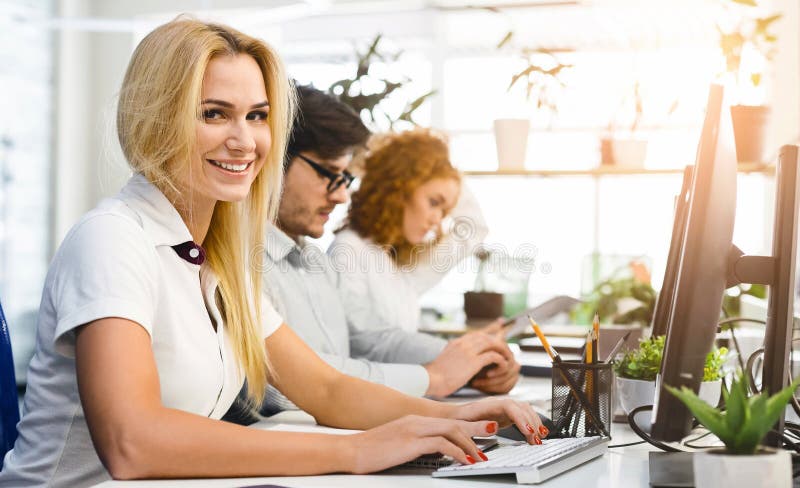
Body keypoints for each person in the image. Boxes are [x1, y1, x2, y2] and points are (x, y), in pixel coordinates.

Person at [0, 18, 546, 487]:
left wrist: (454, 414)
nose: (245, 141)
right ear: (157, 119)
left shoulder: (217, 258)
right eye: (214, 113)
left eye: (257, 116)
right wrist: (357, 450)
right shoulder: (112, 239)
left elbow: (324, 388)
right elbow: (132, 441)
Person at [259, 85, 519, 410]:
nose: (341, 196)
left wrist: (468, 359)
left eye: (346, 179)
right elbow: (300, 389)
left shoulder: (315, 260)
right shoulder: (326, 255)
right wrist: (434, 377)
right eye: (330, 174)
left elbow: (372, 339)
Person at [329, 130, 508, 395]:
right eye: (434, 202)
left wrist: (472, 350)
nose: (437, 220)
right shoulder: (348, 250)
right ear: (399, 188)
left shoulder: (398, 262)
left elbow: (473, 229)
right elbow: (368, 342)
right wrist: (466, 353)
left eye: (445, 211)